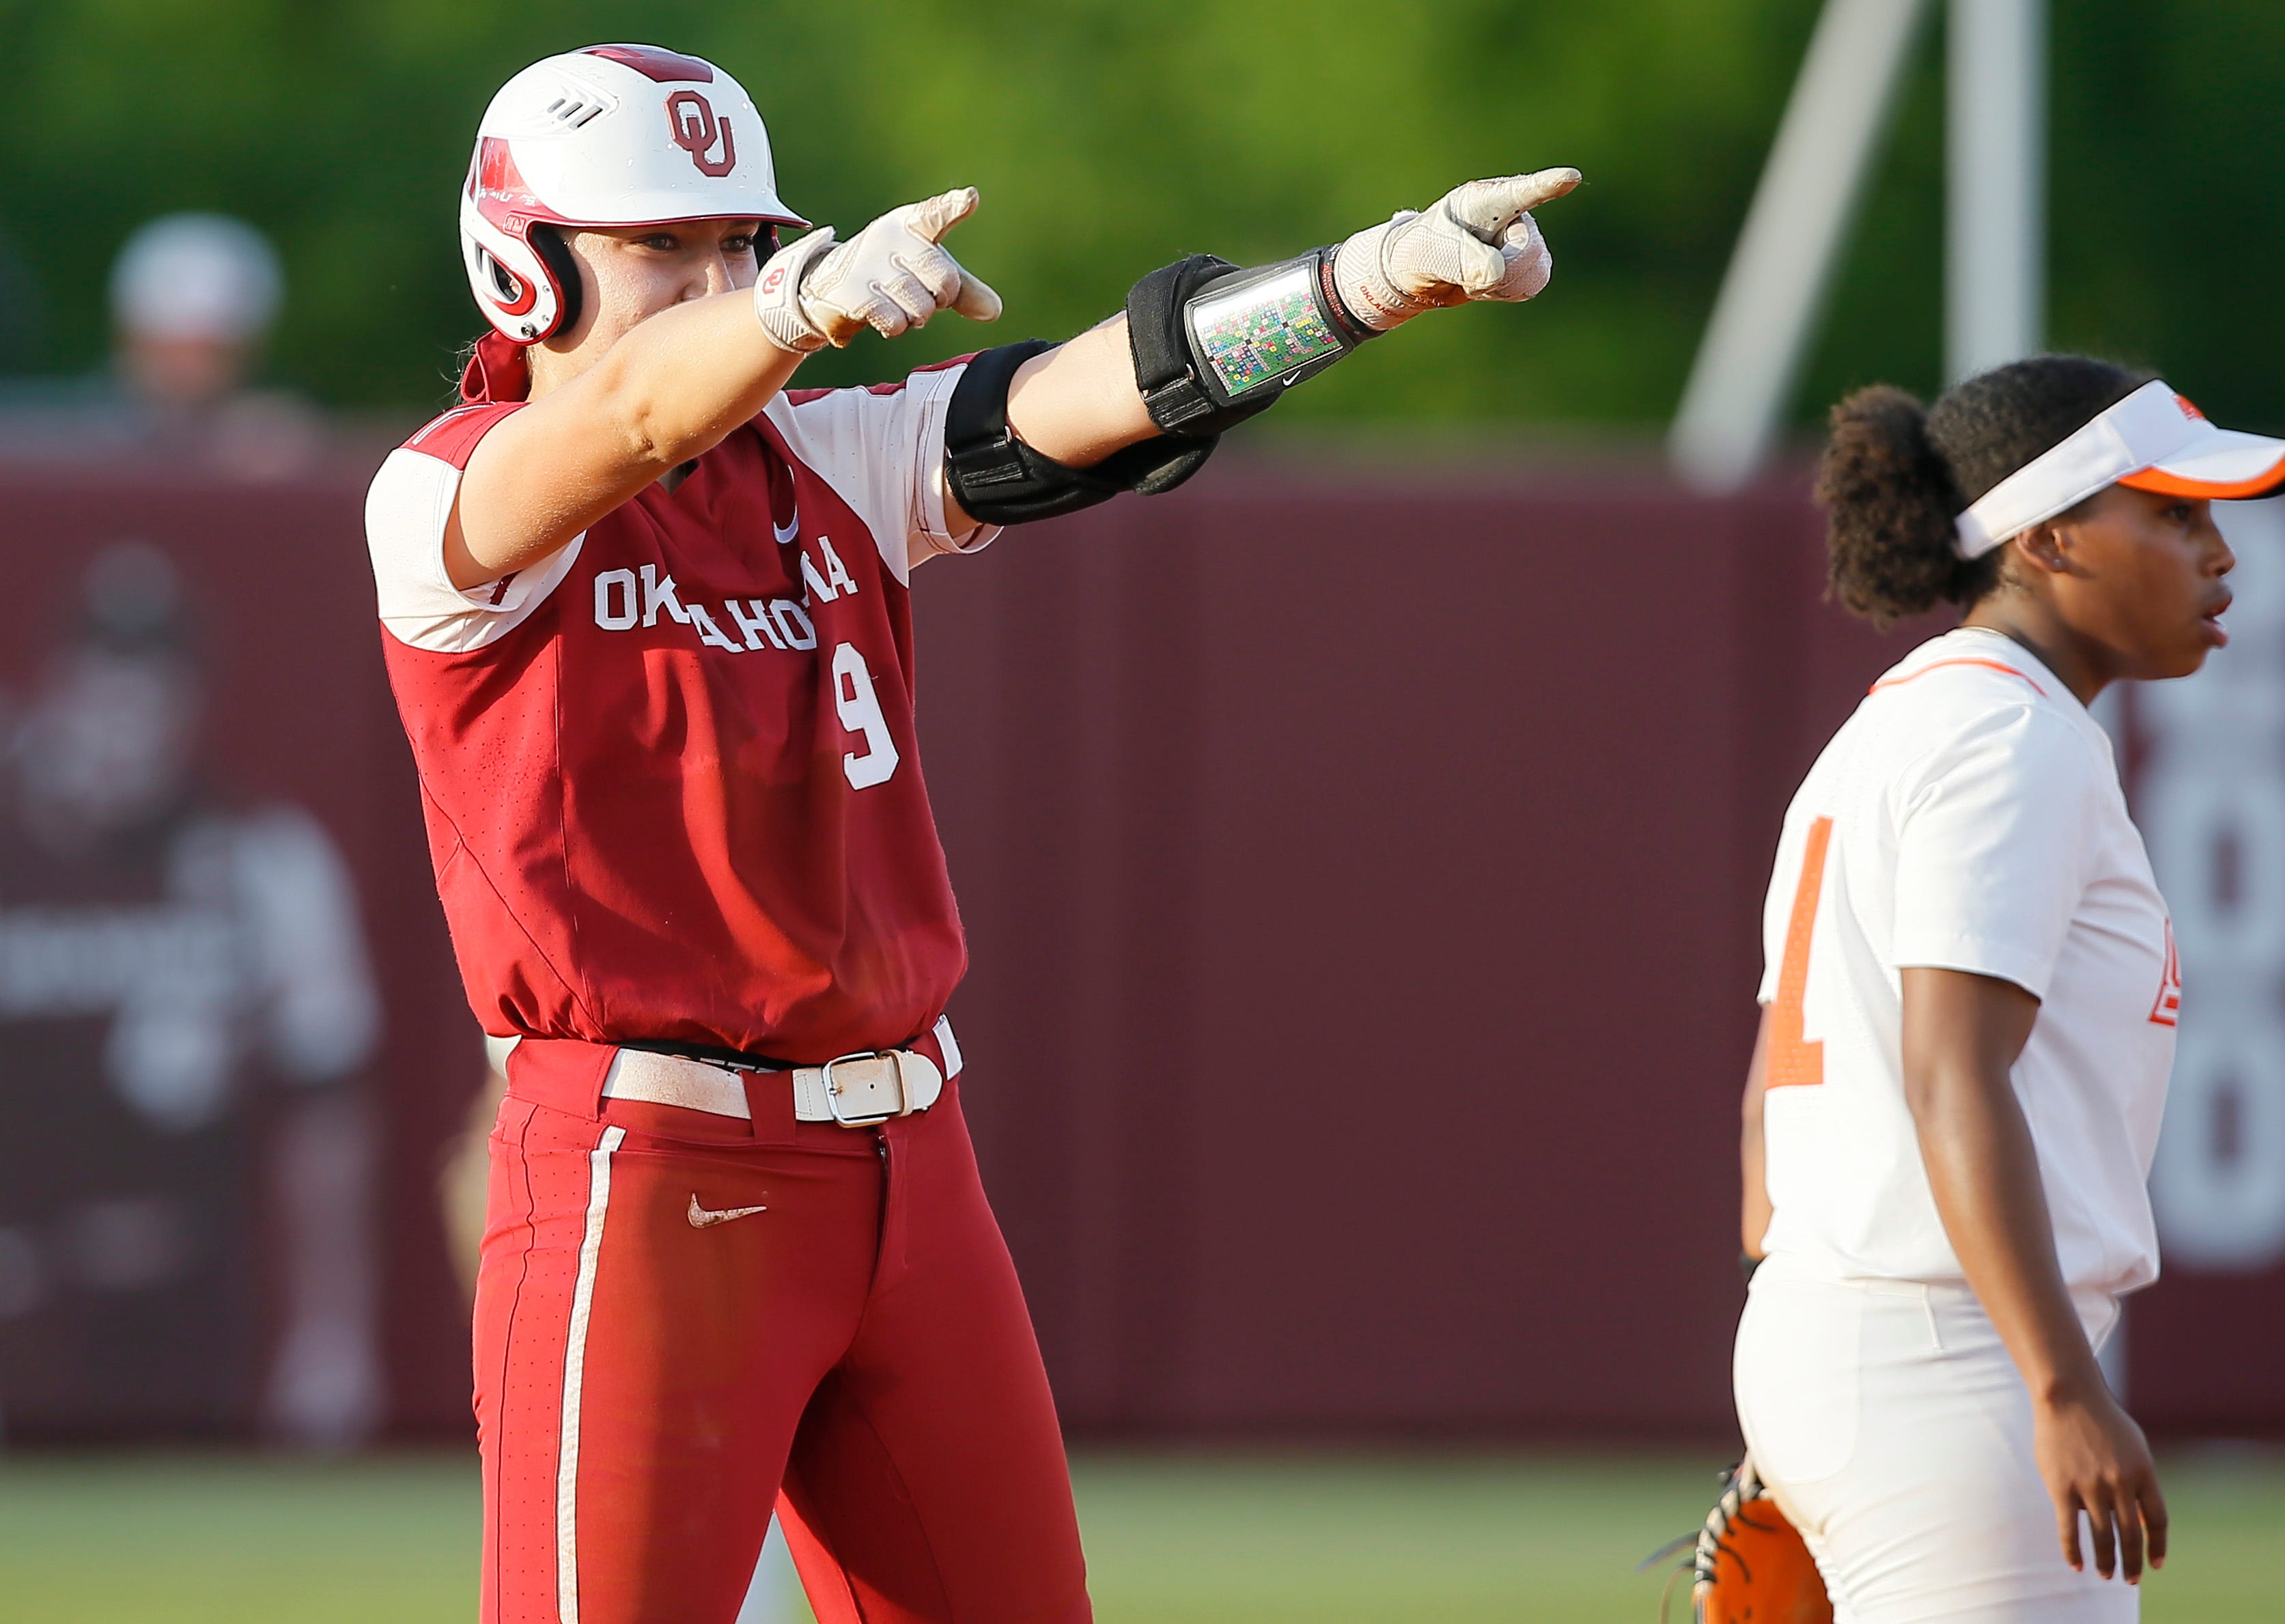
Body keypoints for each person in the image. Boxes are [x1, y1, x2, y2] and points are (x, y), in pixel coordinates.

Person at [365, 42, 1576, 1624]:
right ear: (520, 269)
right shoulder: (444, 493)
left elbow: (1091, 389)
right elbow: (625, 435)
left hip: (908, 1157)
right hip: (650, 1161)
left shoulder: (813, 463)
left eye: (737, 241)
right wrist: (793, 306)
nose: (714, 275)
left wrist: (1363, 281)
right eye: (660, 246)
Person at [1733, 356, 2285, 1622]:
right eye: (2173, 514)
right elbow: (1951, 1072)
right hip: (1950, 1356)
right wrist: (2057, 1387)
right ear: (2047, 534)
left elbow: (1766, 1105)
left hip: (1857, 1336)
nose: (2220, 554)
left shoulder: (1893, 724)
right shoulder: (2008, 736)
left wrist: (1813, 1357)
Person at [0, 542, 382, 1448]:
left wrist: (332, 1331)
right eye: (105, 682)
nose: (125, 718)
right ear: (60, 684)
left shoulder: (265, 859)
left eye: (153, 689)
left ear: (193, 704)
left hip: (183, 1308)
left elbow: (328, 1109)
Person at [0, 214, 320, 477]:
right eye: (172, 348)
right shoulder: (54, 437)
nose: (191, 369)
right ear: (129, 337)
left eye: (214, 352)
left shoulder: (274, 441)